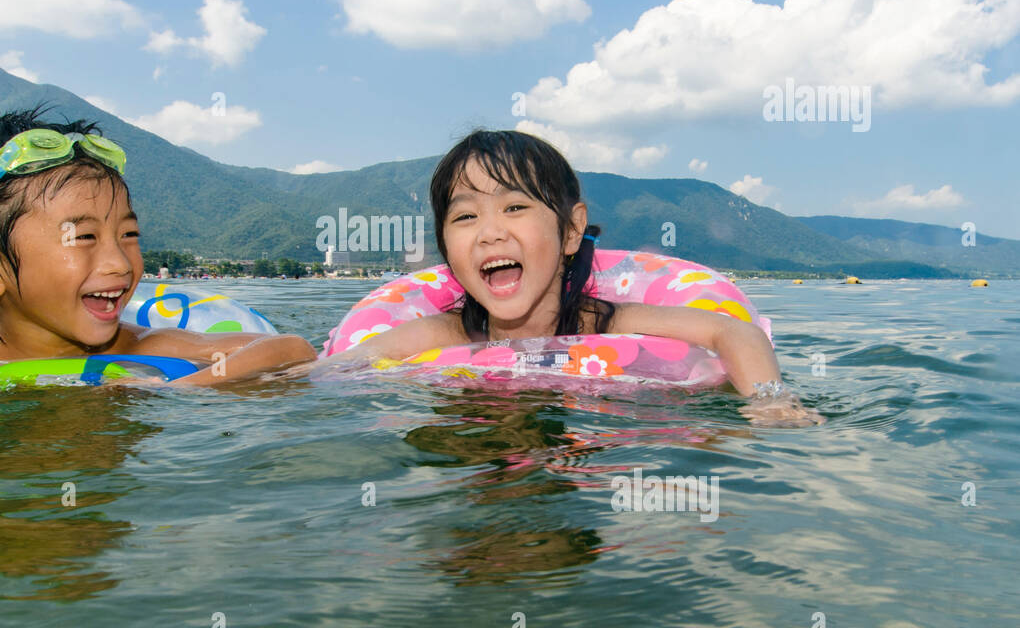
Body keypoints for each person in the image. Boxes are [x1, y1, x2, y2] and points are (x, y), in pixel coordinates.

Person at [331, 129, 823, 426]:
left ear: (570, 231)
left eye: (515, 207)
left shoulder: (608, 322)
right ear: (447, 251)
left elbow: (731, 330)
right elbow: (337, 370)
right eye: (465, 218)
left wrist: (769, 402)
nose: (489, 234)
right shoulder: (442, 332)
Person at [0, 110, 315, 384]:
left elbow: (291, 348)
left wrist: (185, 389)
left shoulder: (151, 348)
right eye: (82, 238)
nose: (120, 262)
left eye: (128, 234)